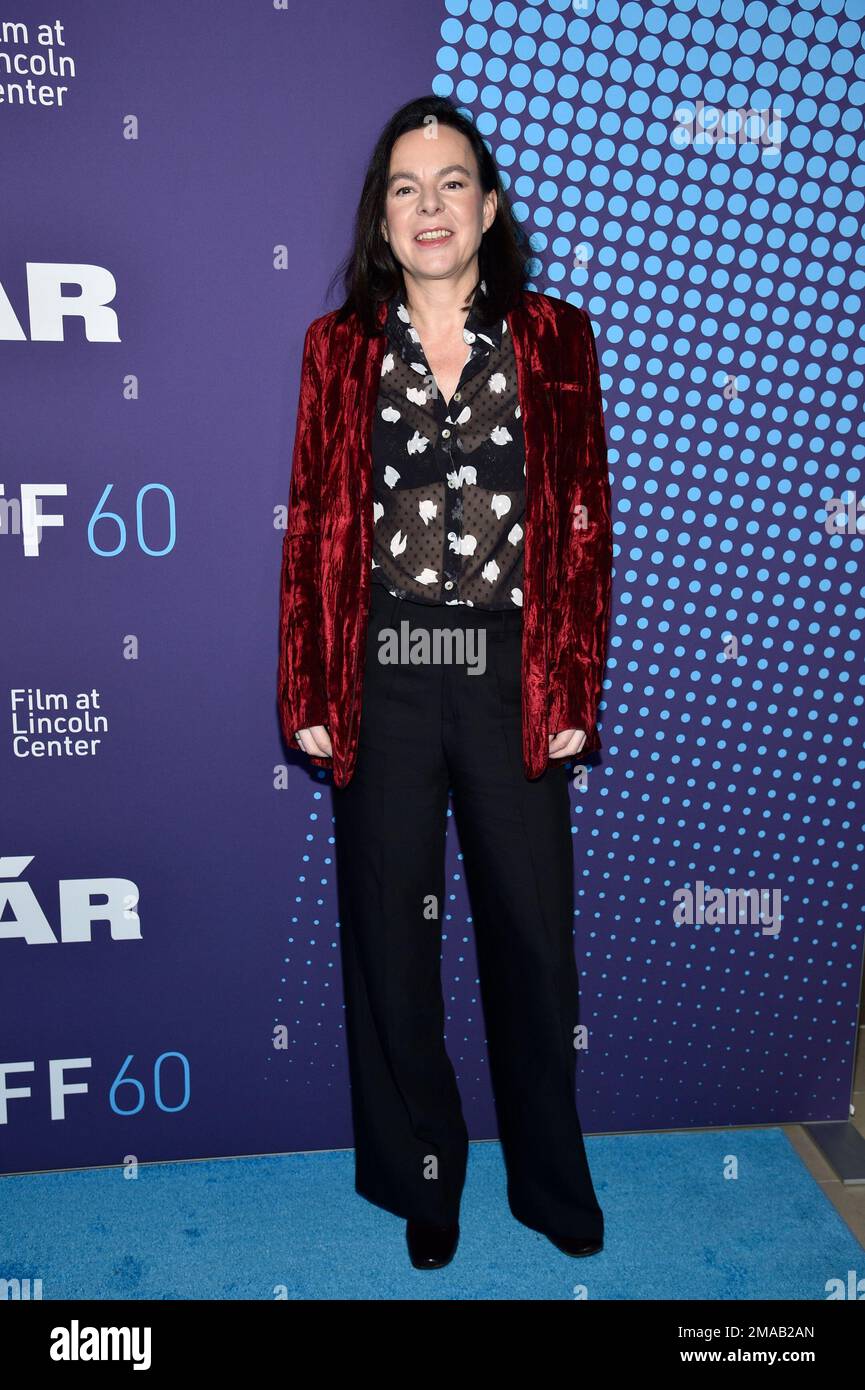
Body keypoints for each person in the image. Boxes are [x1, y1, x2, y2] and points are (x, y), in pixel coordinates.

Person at [277, 95, 613, 1270]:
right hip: (384, 670)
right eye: (406, 187)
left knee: (533, 940)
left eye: (451, 182)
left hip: (511, 670)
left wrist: (574, 682)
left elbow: (582, 526)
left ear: (490, 202)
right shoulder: (338, 347)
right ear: (383, 213)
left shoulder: (556, 339)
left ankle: (550, 1181)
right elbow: (316, 522)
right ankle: (426, 1176)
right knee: (389, 937)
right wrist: (309, 683)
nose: (430, 206)